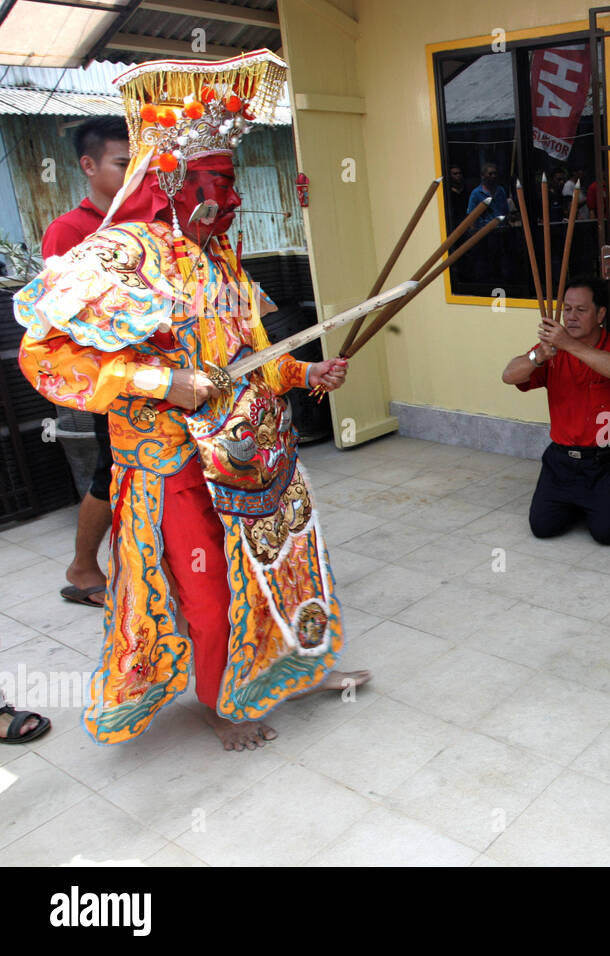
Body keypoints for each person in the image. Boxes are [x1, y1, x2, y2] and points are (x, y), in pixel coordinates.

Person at [15, 50, 367, 751]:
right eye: (220, 183)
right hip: (172, 466)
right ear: (172, 180)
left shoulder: (222, 258)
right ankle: (217, 701)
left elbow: (246, 356)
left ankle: (299, 666)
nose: (234, 200)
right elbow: (43, 355)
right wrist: (158, 382)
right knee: (209, 595)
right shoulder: (121, 254)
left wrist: (303, 376)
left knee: (289, 566)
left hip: (256, 454)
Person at [43, 117, 132, 609]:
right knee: (112, 469)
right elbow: (65, 318)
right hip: (108, 376)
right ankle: (83, 567)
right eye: (122, 163)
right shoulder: (70, 231)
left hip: (155, 373)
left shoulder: (142, 224)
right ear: (88, 164)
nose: (132, 172)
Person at [501, 277, 610, 545]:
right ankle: (587, 503)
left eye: (581, 310)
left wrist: (570, 345)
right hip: (562, 460)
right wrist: (537, 357)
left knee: (608, 534)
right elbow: (508, 376)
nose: (571, 317)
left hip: (607, 461)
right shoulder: (551, 351)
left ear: (600, 314)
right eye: (567, 309)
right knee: (543, 527)